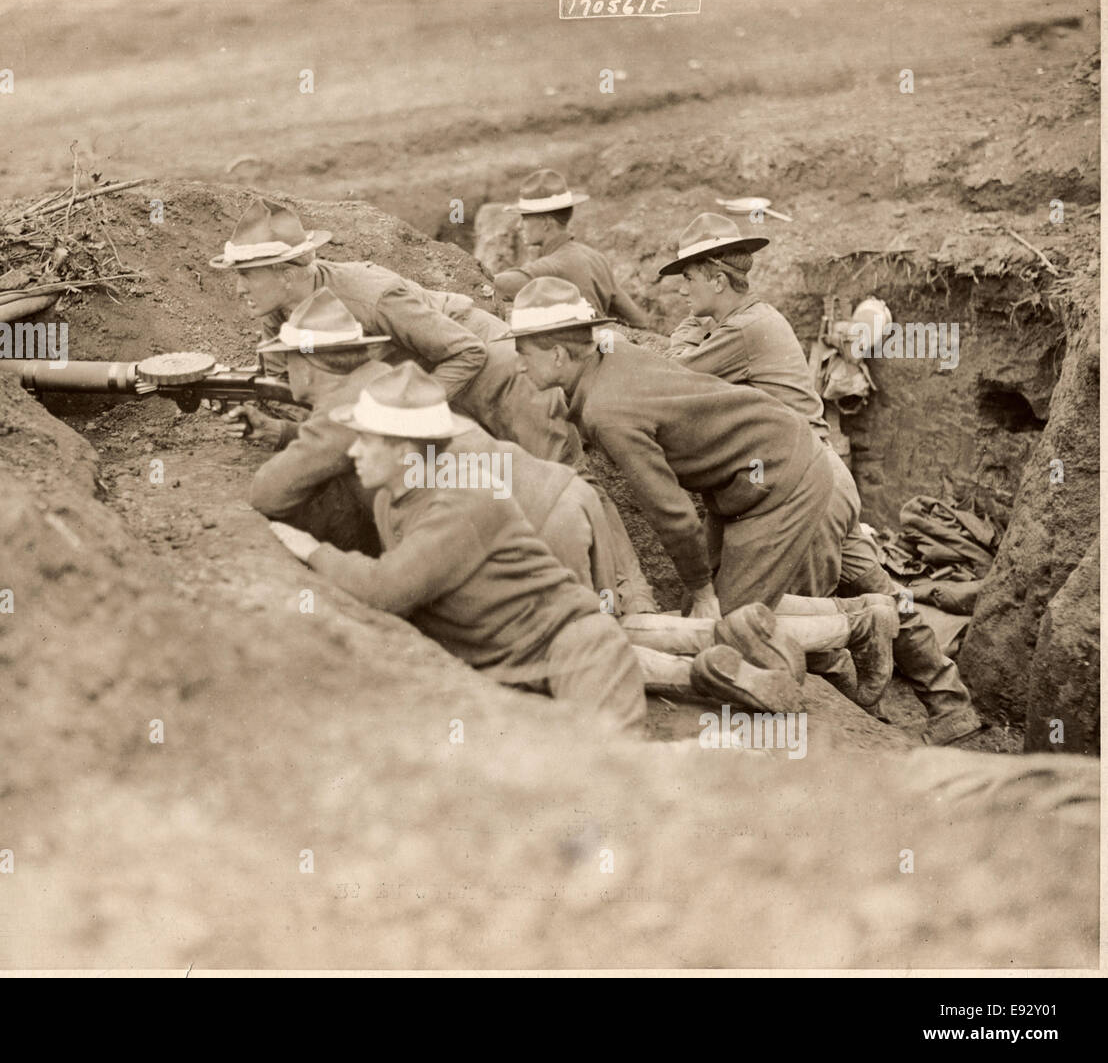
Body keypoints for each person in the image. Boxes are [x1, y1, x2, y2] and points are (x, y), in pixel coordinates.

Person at [249, 293, 897, 709]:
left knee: (594, 631)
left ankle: (765, 657)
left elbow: (267, 493)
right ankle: (803, 635)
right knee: (617, 623)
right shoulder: (396, 381)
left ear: (308, 368)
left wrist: (698, 579)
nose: (287, 378)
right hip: (571, 498)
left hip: (554, 511)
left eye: (288, 367)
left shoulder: (349, 410)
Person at [265, 362, 824, 729]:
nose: (352, 451)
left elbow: (386, 590)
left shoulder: (455, 506)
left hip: (576, 652)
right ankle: (716, 660)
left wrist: (304, 548)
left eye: (366, 438)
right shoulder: (397, 497)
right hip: (534, 650)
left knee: (614, 793)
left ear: (406, 446)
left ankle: (729, 674)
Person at [655, 213, 983, 746]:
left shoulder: (741, 329)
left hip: (796, 488)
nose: (680, 289)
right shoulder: (756, 319)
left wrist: (690, 328)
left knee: (788, 621)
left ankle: (855, 729)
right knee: (877, 586)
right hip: (825, 475)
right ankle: (950, 704)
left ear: (717, 277)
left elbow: (671, 378)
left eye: (687, 277)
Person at [503, 277, 901, 710]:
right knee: (707, 617)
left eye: (524, 354)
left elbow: (672, 512)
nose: (519, 366)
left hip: (779, 477)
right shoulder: (610, 350)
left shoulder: (608, 413)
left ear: (559, 354)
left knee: (726, 630)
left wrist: (703, 591)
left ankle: (860, 624)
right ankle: (856, 622)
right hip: (749, 472)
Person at [210, 195, 576, 464]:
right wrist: (241, 400)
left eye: (245, 276)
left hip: (494, 363)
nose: (239, 289)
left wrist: (405, 411)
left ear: (286, 274)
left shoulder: (371, 297)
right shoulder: (278, 311)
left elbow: (466, 351)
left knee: (560, 479)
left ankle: (621, 570)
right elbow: (295, 390)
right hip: (431, 373)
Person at [493, 168, 650, 328]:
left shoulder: (552, 265)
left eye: (524, 218)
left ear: (546, 222)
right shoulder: (595, 257)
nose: (519, 226)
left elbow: (495, 284)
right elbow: (638, 320)